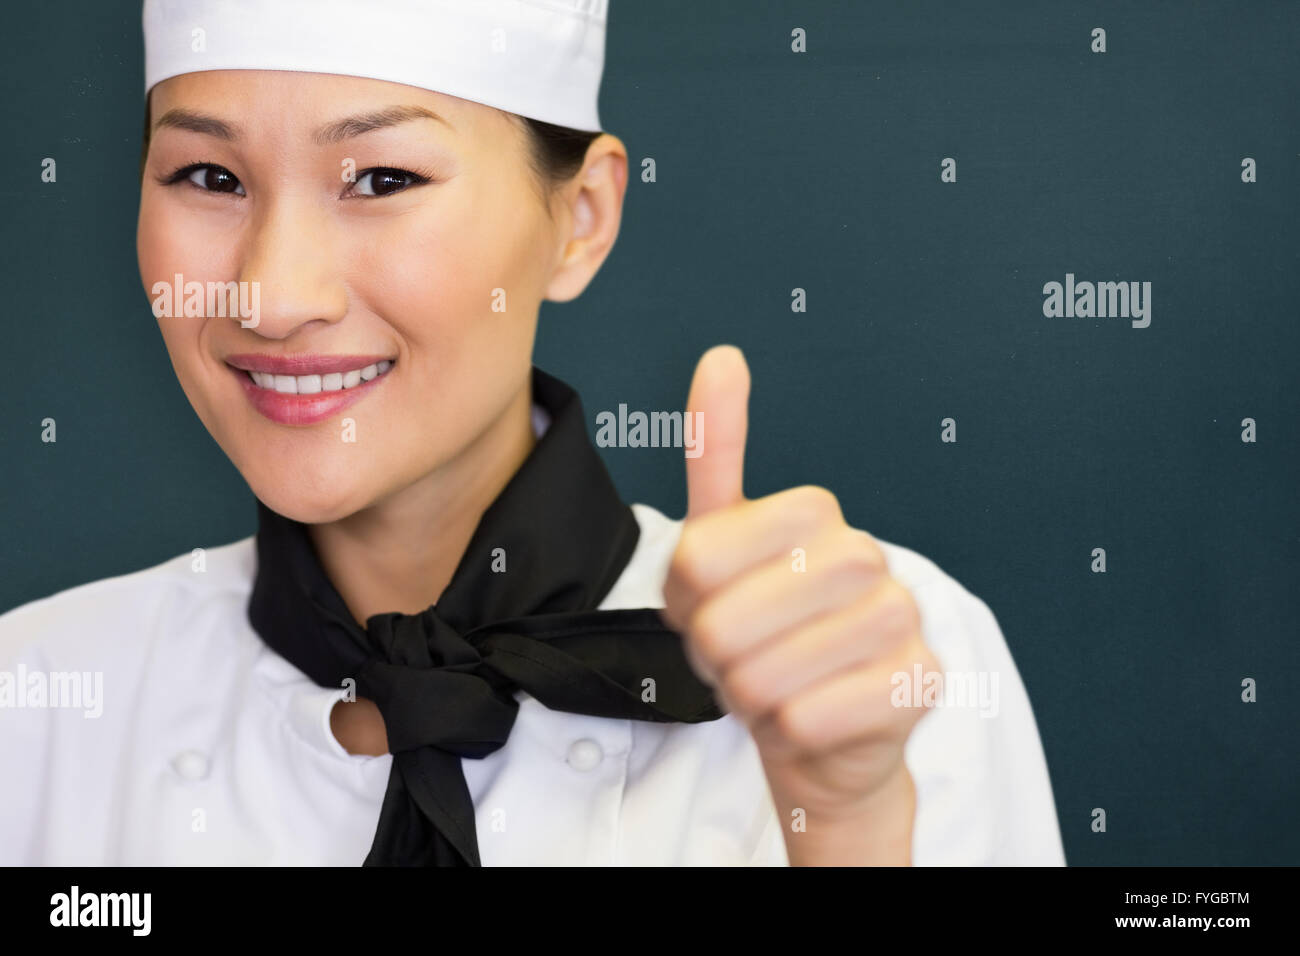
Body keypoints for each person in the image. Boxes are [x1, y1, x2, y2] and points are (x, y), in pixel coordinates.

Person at [0, 0, 1065, 865]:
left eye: (382, 178)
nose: (273, 296)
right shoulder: (35, 703)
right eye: (209, 177)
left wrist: (845, 820)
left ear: (581, 217)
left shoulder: (877, 659)